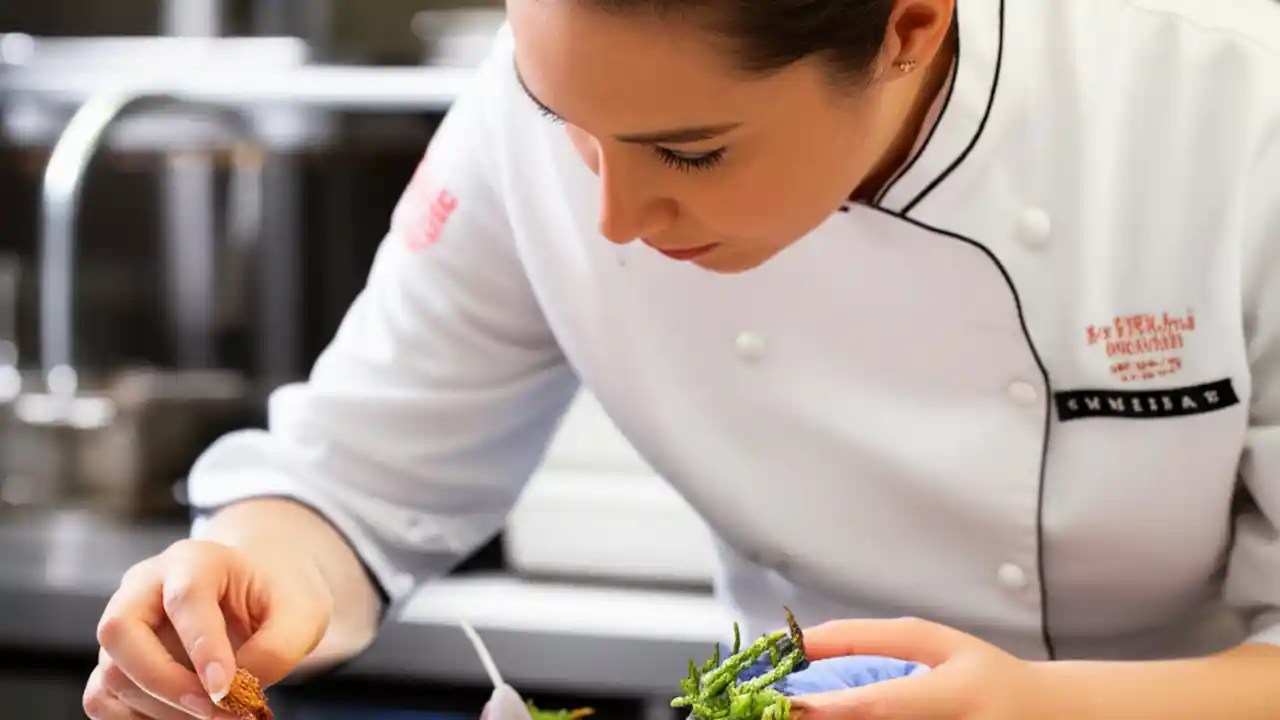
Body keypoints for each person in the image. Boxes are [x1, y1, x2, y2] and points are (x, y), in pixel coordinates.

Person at [83, 0, 1280, 717]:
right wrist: (249, 571)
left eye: (691, 153)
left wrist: (1037, 712)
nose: (610, 218)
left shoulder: (1227, 102)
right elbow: (354, 481)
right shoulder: (538, 105)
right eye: (568, 132)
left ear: (911, 23)